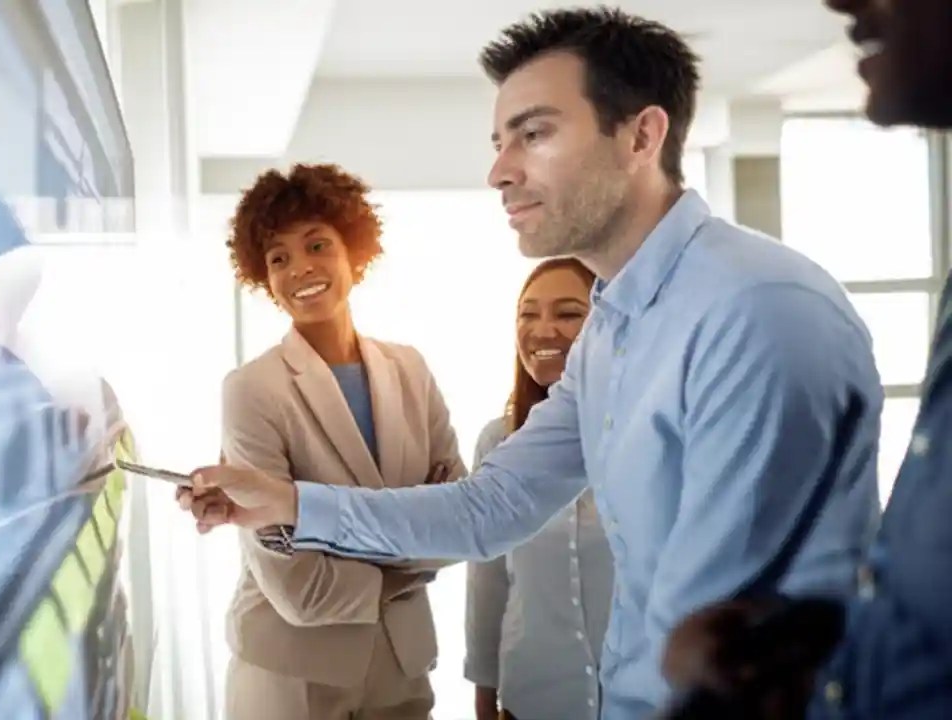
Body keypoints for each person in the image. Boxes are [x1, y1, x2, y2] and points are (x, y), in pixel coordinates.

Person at [178, 9, 883, 719]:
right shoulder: (612, 327)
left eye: (535, 134)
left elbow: (739, 638)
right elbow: (491, 506)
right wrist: (290, 503)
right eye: (499, 141)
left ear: (642, 135)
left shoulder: (756, 310)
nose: (499, 171)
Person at [661, 1, 952, 718]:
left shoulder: (769, 304)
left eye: (534, 133)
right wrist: (817, 648)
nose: (840, 1)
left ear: (641, 135)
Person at [217, 163, 464, 720]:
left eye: (317, 245)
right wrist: (408, 558)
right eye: (278, 258)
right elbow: (296, 587)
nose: (300, 268)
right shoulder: (251, 390)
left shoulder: (410, 369)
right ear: (264, 277)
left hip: (402, 664)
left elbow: (461, 516)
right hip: (290, 671)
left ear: (355, 252)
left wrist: (342, 543)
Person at [464, 257, 612, 720]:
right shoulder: (498, 440)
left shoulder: (652, 432)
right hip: (533, 701)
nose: (543, 330)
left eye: (568, 313)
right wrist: (485, 698)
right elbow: (486, 583)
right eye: (528, 314)